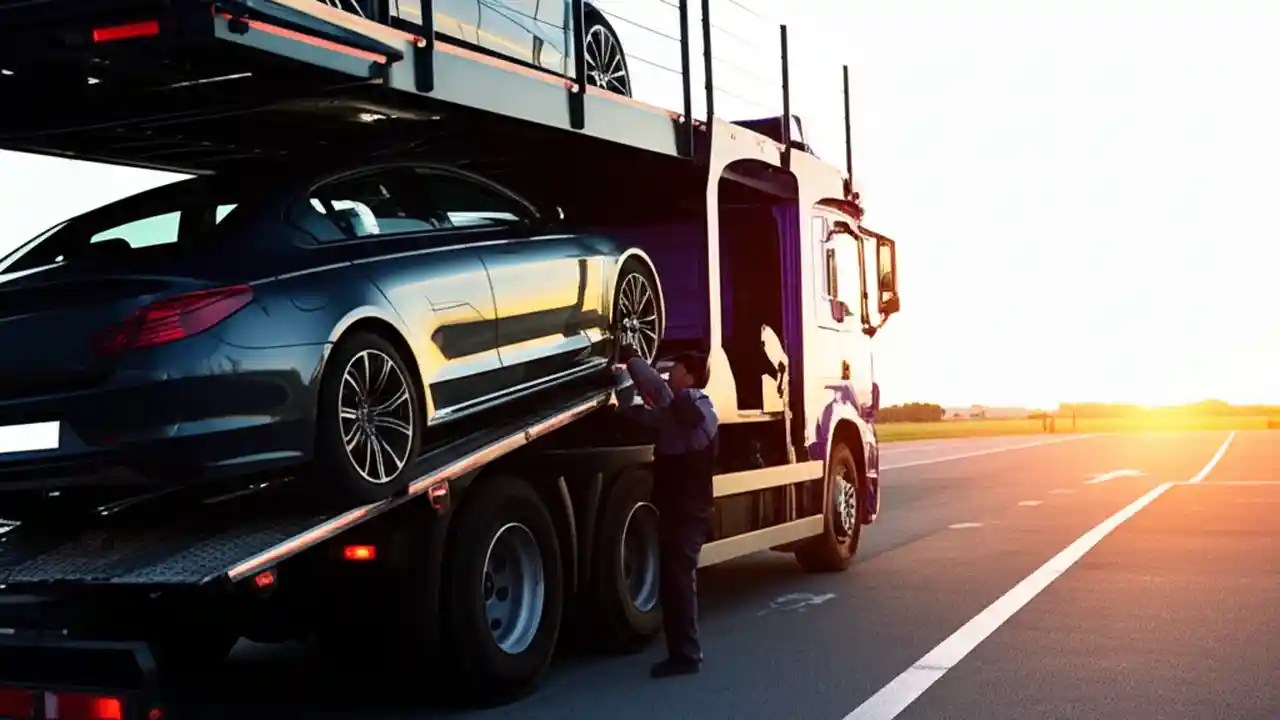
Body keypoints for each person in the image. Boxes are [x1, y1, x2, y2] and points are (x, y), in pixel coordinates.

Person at [613, 345, 718, 678]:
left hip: (688, 512)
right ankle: (682, 652)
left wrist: (631, 359)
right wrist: (620, 380)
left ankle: (687, 655)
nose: (669, 372)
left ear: (689, 376)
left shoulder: (695, 404)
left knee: (679, 582)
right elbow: (638, 412)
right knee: (674, 583)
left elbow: (659, 394)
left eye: (675, 369)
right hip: (677, 510)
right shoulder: (676, 411)